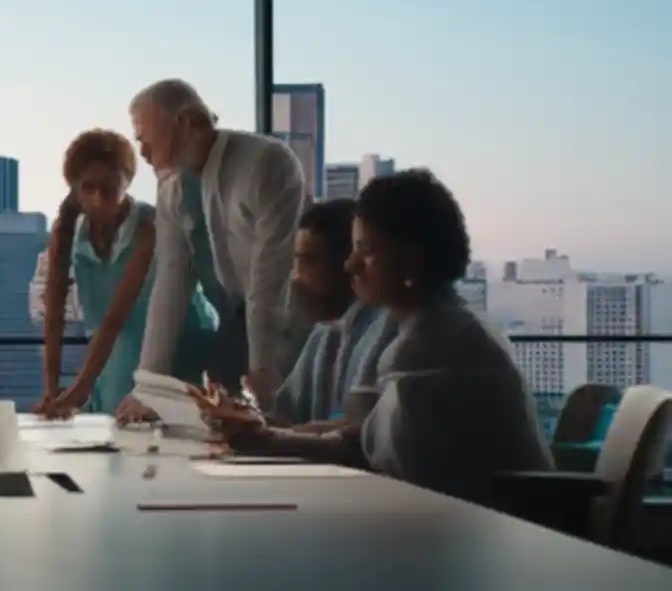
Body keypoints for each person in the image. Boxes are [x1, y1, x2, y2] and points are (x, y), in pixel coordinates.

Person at [195, 169, 552, 504]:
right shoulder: (438, 326)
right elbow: (361, 434)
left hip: (495, 539)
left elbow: (368, 456)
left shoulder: (436, 342)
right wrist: (266, 435)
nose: (351, 266)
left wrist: (269, 439)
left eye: (367, 251)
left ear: (412, 262)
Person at [130, 79, 305, 409]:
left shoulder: (265, 163)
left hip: (288, 326)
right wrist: (149, 386)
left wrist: (262, 372)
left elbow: (269, 282)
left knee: (280, 431)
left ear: (183, 122)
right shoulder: (173, 187)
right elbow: (171, 282)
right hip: (233, 325)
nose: (142, 151)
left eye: (144, 136)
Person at [33, 130, 217, 417]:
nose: (97, 198)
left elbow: (114, 318)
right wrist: (50, 391)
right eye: (88, 187)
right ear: (74, 187)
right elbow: (54, 317)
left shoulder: (150, 226)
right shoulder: (70, 230)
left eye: (108, 187)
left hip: (176, 341)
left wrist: (76, 392)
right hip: (113, 353)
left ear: (127, 182)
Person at [270, 199, 397, 429]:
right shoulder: (323, 336)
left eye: (308, 261)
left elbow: (366, 435)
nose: (296, 277)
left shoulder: (392, 335)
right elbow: (283, 416)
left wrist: (280, 437)